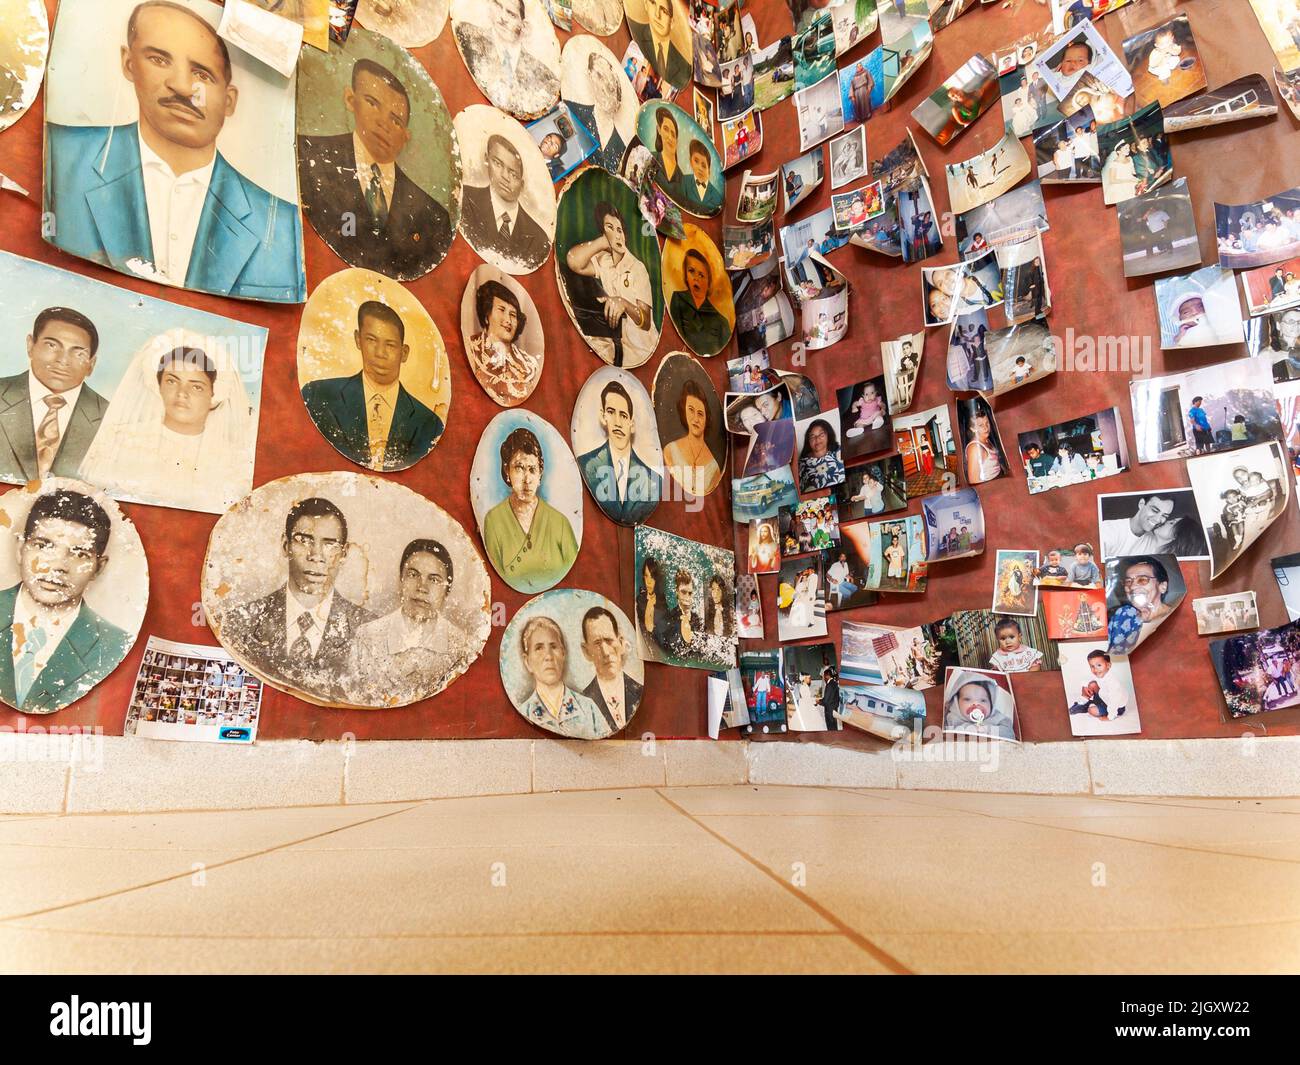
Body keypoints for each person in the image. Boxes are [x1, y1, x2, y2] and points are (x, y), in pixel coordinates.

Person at [44, 1, 305, 301]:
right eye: (159, 59)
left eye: (203, 75)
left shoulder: (281, 226)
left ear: (229, 100)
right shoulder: (63, 156)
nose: (182, 87)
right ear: (129, 64)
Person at [297, 58, 451, 278]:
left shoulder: (432, 217)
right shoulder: (307, 154)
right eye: (372, 103)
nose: (383, 123)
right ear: (351, 100)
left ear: (406, 137)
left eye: (396, 120)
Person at [77, 332, 254, 513]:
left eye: (196, 386)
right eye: (171, 381)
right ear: (159, 386)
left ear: (213, 395)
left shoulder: (231, 459)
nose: (182, 393)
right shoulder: (120, 439)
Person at [220, 497, 374, 699]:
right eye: (304, 540)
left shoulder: (370, 630)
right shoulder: (240, 622)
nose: (316, 555)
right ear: (286, 545)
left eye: (330, 544)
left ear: (343, 553)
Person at [0, 488, 132, 713]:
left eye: (79, 554)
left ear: (98, 567)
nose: (57, 566)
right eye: (43, 546)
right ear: (21, 550)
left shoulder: (115, 644)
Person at [300, 301, 444, 471]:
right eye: (371, 340)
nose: (380, 353)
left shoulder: (429, 424)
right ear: (358, 340)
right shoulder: (317, 395)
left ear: (404, 352)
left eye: (390, 345)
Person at [346, 539, 474, 705]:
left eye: (434, 579)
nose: (422, 587)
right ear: (401, 581)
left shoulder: (462, 645)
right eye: (413, 575)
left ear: (447, 589)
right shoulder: (367, 637)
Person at [0, 307, 109, 484]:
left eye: (78, 352)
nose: (63, 360)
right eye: (52, 345)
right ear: (30, 345)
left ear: (91, 364)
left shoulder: (111, 419)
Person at [482, 426, 579, 592]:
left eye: (532, 470)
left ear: (540, 474)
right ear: (507, 471)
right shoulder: (493, 520)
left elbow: (575, 577)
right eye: (519, 468)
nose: (527, 479)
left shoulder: (560, 523)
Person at [563, 199, 658, 367]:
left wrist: (623, 303)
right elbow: (573, 261)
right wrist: (601, 243)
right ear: (602, 232)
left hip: (643, 350)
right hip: (617, 347)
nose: (617, 235)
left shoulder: (637, 268)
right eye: (610, 228)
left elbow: (646, 322)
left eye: (620, 230)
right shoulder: (603, 261)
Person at [452, 0, 560, 119]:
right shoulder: (467, 34)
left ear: (524, 26)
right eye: (499, 7)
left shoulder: (545, 78)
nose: (502, 18)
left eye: (511, 14)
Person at [460, 133, 552, 271]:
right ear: (487, 160)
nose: (504, 177)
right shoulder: (463, 197)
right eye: (497, 163)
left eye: (513, 174)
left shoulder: (539, 240)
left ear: (522, 184)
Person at [576, 378, 662, 524]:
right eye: (611, 412)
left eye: (623, 415)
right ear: (603, 416)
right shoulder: (585, 464)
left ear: (631, 424)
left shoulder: (653, 481)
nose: (617, 422)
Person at [516, 615, 607, 739]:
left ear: (563, 654)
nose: (548, 656)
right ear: (527, 662)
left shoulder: (588, 709)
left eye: (553, 647)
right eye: (539, 648)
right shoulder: (522, 713)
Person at [466, 278, 541, 406]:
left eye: (513, 314)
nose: (508, 320)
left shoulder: (530, 364)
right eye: (501, 310)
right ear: (486, 315)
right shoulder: (471, 348)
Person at [567, 48, 634, 173]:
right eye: (599, 76)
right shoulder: (571, 111)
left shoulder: (622, 149)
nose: (606, 86)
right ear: (590, 75)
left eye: (611, 81)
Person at [579, 605, 642, 734]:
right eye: (597, 643)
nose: (606, 652)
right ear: (586, 651)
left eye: (609, 640)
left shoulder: (640, 691)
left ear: (621, 643)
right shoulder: (582, 704)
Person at [662, 378, 722, 496]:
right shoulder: (670, 451)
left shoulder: (714, 468)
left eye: (700, 414)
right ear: (684, 411)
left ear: (706, 418)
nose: (695, 419)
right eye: (691, 410)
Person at [670, 248, 732, 355]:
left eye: (701, 275)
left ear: (709, 283)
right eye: (691, 271)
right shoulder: (678, 299)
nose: (696, 278)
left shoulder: (722, 323)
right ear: (685, 275)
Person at [628, 0, 691, 88]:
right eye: (653, 3)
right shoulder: (635, 28)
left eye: (665, 11)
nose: (657, 15)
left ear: (672, 22)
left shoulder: (682, 66)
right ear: (646, 4)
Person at [1100, 495, 1177, 556]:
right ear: (1141, 504)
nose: (1157, 519)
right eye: (1154, 510)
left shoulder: (1154, 542)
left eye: (1165, 516)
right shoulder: (1107, 530)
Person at [943, 673, 1014, 739]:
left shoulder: (998, 718)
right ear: (956, 702)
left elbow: (1009, 734)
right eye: (967, 699)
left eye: (983, 700)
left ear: (991, 704)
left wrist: (986, 729)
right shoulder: (951, 718)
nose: (976, 704)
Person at [1068, 650, 1132, 721]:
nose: (1095, 669)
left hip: (1116, 707)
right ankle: (1083, 704)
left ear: (1108, 665)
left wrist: (1110, 717)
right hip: (1104, 697)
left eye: (1099, 665)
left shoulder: (1112, 682)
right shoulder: (1099, 673)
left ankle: (1088, 707)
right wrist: (1085, 686)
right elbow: (1087, 679)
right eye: (1092, 666)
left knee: (1091, 711)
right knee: (1091, 684)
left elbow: (1114, 701)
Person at [797, 418, 844, 490]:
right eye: (812, 436)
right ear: (808, 441)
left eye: (821, 434)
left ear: (828, 435)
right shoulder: (802, 464)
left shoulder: (839, 451)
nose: (817, 439)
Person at [964, 402, 1005, 484]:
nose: (986, 428)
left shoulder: (986, 439)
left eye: (987, 423)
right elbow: (974, 482)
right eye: (980, 425)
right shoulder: (975, 448)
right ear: (972, 428)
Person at [637, 556, 669, 649]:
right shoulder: (640, 600)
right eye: (646, 576)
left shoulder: (662, 604)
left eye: (652, 577)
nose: (649, 582)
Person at [679, 139, 716, 214]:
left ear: (709, 171)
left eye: (703, 165)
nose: (699, 168)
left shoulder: (716, 195)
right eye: (696, 161)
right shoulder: (684, 181)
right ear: (690, 161)